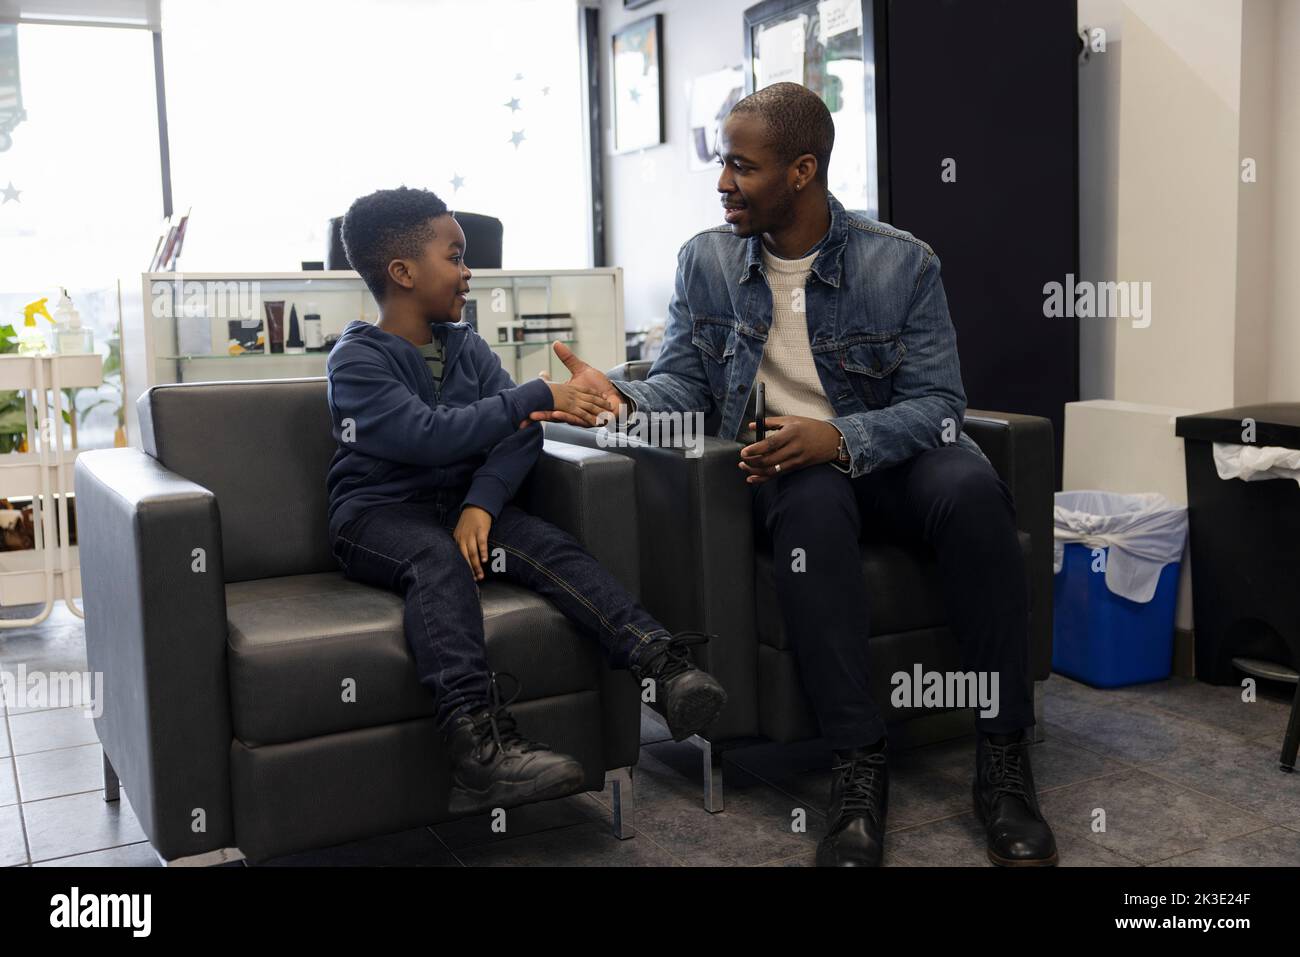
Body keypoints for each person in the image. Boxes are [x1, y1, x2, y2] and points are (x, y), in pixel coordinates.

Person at [535, 84, 1058, 867]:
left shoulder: (901, 261)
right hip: (790, 469)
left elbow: (942, 406)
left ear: (803, 170)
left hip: (896, 459)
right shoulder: (707, 261)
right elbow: (683, 384)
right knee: (811, 508)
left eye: (741, 167)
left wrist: (839, 435)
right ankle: (857, 767)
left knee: (974, 490)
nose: (722, 184)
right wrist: (621, 398)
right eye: (722, 163)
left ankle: (1003, 760)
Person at [325, 187, 727, 815]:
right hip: (376, 516)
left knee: (548, 545)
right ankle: (476, 750)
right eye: (454, 257)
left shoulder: (468, 348)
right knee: (437, 562)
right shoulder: (356, 359)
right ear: (402, 273)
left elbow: (522, 434)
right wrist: (533, 392)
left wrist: (481, 504)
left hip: (462, 509)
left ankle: (663, 665)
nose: (467, 272)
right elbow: (426, 436)